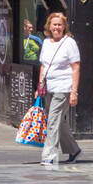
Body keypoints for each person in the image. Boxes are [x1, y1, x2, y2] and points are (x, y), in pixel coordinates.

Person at [37, 12, 82, 167]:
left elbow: (76, 68)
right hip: (48, 87)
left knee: (53, 121)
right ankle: (74, 150)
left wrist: (74, 91)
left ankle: (49, 156)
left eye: (60, 25)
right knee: (58, 121)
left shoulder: (69, 43)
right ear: (49, 26)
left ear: (64, 27)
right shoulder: (46, 43)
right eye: (54, 24)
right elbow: (43, 66)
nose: (57, 27)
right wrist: (40, 85)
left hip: (63, 87)